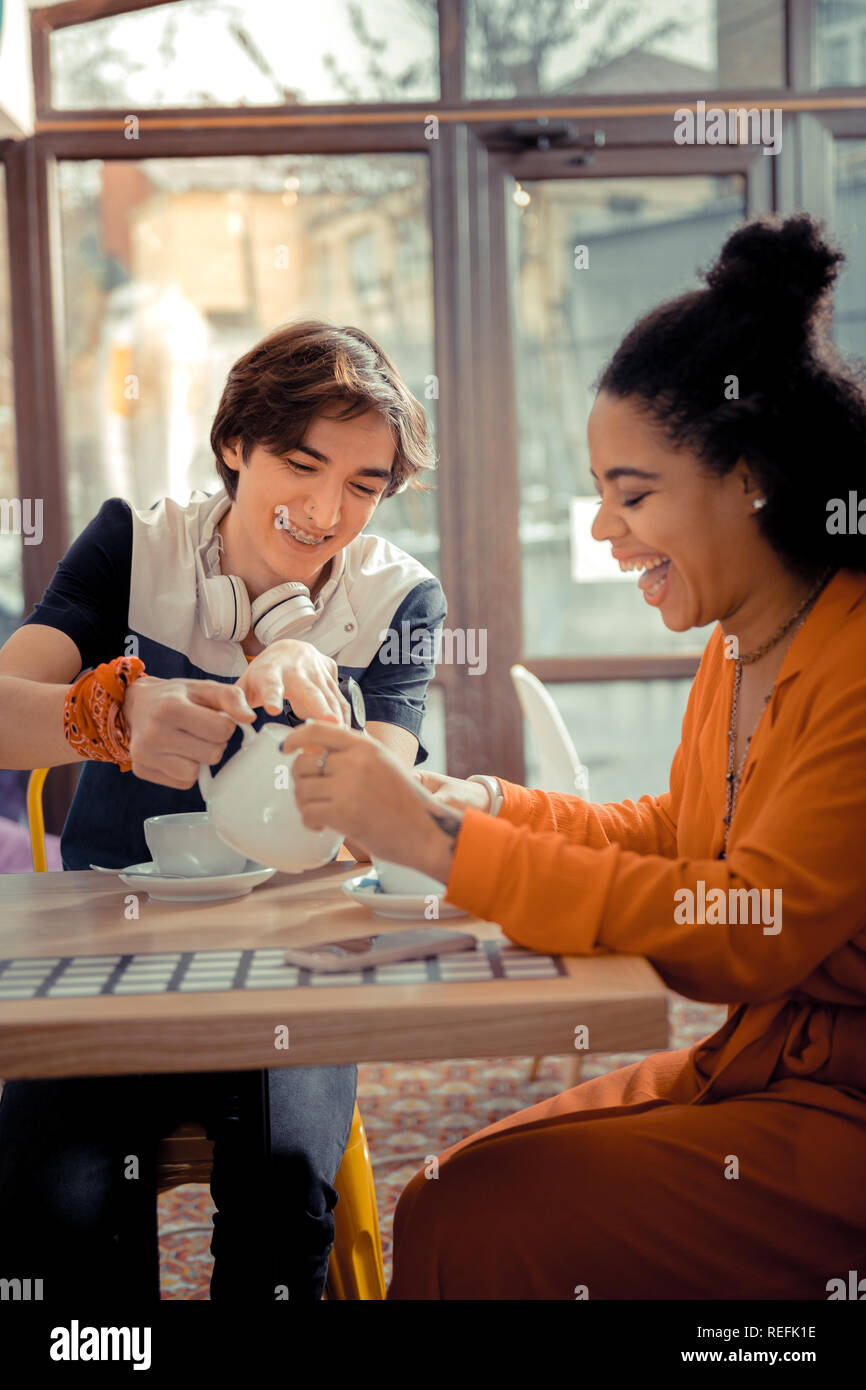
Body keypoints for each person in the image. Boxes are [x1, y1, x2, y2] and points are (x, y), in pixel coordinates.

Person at [280, 215, 866, 1299]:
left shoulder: (852, 653)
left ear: (747, 480)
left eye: (631, 494)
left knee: (478, 1216)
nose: (603, 531)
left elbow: (751, 925)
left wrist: (440, 841)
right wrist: (474, 802)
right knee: (440, 1191)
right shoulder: (744, 643)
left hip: (838, 1110)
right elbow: (677, 837)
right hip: (760, 1066)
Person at [0, 320, 446, 1301]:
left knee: (284, 1195)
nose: (328, 510)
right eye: (301, 462)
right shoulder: (133, 543)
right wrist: (107, 716)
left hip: (296, 963)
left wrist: (306, 678)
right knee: (53, 1198)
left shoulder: (398, 600)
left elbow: (381, 813)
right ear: (234, 446)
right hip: (106, 955)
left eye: (365, 486)